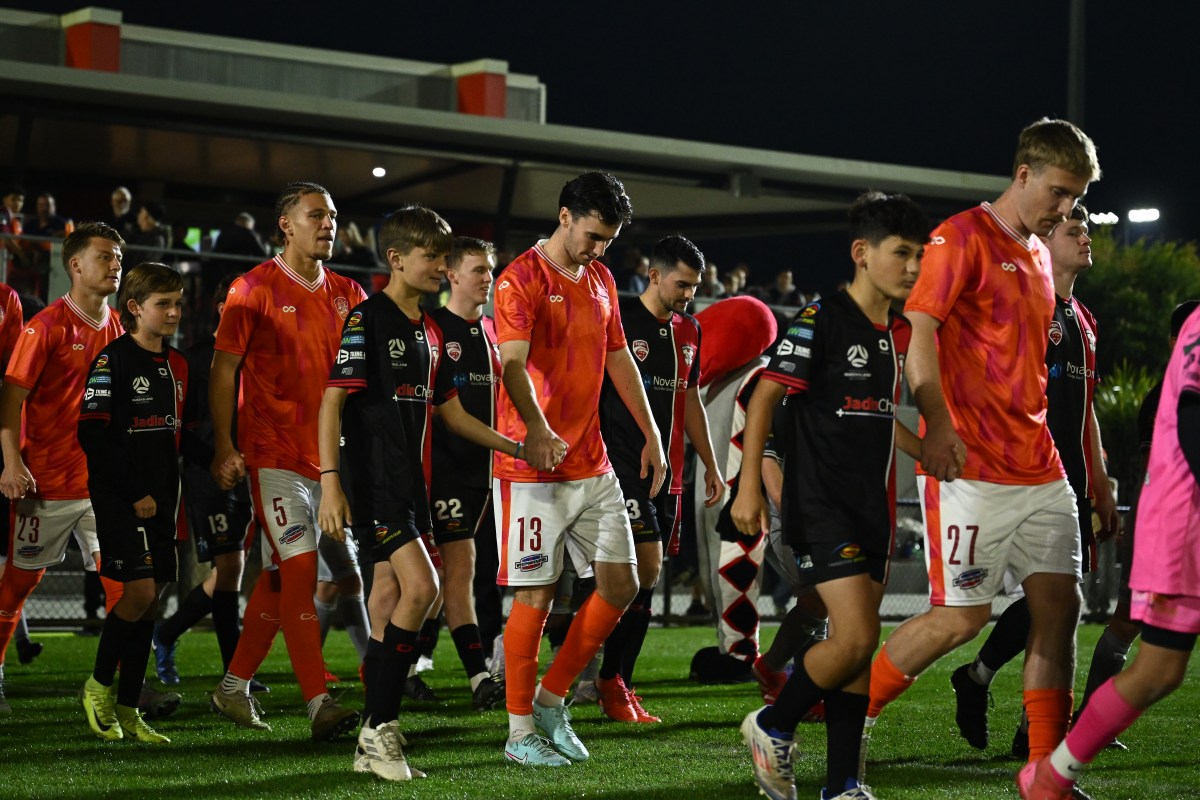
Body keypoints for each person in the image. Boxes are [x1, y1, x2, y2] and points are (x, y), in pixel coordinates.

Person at [863, 119, 1102, 784]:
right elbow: (918, 334)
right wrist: (935, 423)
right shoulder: (959, 238)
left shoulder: (1038, 253)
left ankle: (1045, 776)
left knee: (1061, 608)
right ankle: (849, 715)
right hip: (971, 468)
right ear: (1022, 174)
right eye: (1057, 193)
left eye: (1074, 198)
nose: (1064, 209)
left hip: (1040, 462)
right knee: (958, 621)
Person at [316, 204, 521, 780]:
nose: (439, 266)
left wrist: (517, 447)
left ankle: (372, 734)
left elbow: (451, 414)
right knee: (425, 588)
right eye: (431, 256)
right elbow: (332, 402)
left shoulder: (431, 330)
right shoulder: (367, 318)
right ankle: (380, 729)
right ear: (397, 259)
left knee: (389, 601)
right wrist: (332, 483)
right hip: (374, 485)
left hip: (412, 487)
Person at [736, 191, 929, 800]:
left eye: (920, 255)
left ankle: (844, 784)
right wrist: (749, 490)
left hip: (870, 507)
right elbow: (764, 399)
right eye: (902, 254)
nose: (914, 267)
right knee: (853, 639)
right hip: (820, 505)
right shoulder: (822, 318)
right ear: (862, 253)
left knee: (857, 644)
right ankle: (773, 722)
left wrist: (932, 452)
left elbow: (873, 413)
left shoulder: (893, 331)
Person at [492, 171, 664, 766]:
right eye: (592, 236)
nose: (598, 249)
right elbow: (512, 365)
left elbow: (618, 358)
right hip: (531, 466)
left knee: (624, 582)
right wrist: (537, 429)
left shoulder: (601, 278)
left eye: (608, 241)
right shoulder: (520, 278)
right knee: (535, 598)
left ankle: (550, 700)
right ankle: (519, 734)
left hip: (591, 463)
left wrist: (651, 434)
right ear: (565, 216)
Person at [950, 204, 1119, 756]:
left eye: (1087, 230)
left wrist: (1101, 478)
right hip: (1021, 472)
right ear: (1047, 241)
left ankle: (992, 691)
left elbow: (1086, 408)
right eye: (1076, 230)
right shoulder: (1028, 304)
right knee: (1034, 603)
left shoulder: (1086, 322)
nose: (1086, 238)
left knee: (1057, 601)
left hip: (1069, 478)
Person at [1017, 303, 1200, 798]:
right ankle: (1048, 768)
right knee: (1156, 669)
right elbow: (1190, 428)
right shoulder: (1196, 335)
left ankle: (1047, 775)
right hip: (1183, 532)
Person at [208, 181, 365, 740]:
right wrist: (225, 444)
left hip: (328, 465)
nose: (328, 224)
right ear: (285, 224)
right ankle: (318, 703)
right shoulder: (251, 289)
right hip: (272, 456)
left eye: (333, 215)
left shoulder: (350, 293)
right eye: (316, 214)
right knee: (300, 570)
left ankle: (231, 688)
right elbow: (223, 370)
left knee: (281, 582)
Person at [586, 234, 724, 722]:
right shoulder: (618, 319)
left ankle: (609, 678)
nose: (688, 295)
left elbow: (691, 403)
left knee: (638, 578)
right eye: (681, 285)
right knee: (644, 570)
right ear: (655, 275)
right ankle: (606, 681)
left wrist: (711, 464)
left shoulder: (690, 331)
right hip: (619, 467)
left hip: (669, 477)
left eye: (694, 287)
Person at [0, 223, 124, 711]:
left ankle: (114, 683)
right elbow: (10, 401)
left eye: (119, 257)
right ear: (75, 265)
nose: (116, 265)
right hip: (46, 483)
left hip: (102, 486)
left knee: (125, 582)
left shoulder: (121, 328)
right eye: (105, 257)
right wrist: (11, 463)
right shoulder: (45, 326)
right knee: (19, 583)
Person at [78, 263, 196, 743]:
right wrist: (135, 494)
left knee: (151, 606)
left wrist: (226, 458)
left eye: (178, 304)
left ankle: (129, 709)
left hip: (164, 501)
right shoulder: (112, 360)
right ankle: (97, 687)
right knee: (140, 594)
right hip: (123, 499)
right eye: (162, 305)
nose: (172, 313)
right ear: (134, 309)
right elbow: (92, 434)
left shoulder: (179, 364)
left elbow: (179, 435)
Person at [151, 272, 262, 690]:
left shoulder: (255, 359)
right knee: (229, 566)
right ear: (221, 309)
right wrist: (214, 457)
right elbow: (181, 425)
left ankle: (175, 637)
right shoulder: (195, 361)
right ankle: (233, 673)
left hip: (247, 473)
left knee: (229, 574)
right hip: (207, 474)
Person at [427, 236, 506, 711]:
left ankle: (474, 669)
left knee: (478, 575)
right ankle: (477, 676)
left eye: (490, 270)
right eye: (478, 269)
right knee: (453, 573)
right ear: (451, 274)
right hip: (446, 472)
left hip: (494, 474)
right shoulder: (433, 329)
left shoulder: (496, 332)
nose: (487, 279)